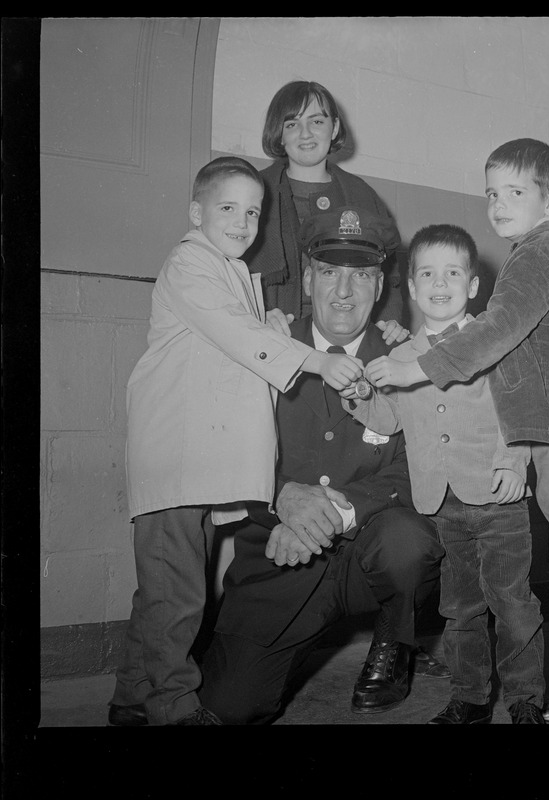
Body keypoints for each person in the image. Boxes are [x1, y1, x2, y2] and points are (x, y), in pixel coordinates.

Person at [364, 138, 549, 725]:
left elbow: (498, 329)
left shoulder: (540, 254)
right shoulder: (535, 255)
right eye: (492, 193)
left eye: (515, 192)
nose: (499, 204)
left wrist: (412, 368)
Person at [108, 157, 365, 726]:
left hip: (197, 463)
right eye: (228, 208)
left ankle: (131, 702)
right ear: (196, 212)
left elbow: (241, 344)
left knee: (164, 590)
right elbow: (232, 332)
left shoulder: (231, 273)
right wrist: (315, 358)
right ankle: (175, 711)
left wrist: (271, 323)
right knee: (178, 598)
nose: (243, 221)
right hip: (176, 460)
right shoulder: (189, 263)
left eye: (253, 212)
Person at [198, 206, 447, 725]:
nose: (343, 291)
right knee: (231, 705)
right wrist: (284, 496)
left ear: (379, 286)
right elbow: (222, 447)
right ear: (309, 278)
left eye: (360, 276)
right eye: (330, 272)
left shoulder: (405, 361)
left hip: (367, 550)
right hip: (282, 552)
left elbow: (416, 468)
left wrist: (342, 507)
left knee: (410, 542)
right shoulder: (265, 347)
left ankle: (394, 640)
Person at [343, 224, 546, 725]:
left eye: (453, 273)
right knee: (460, 610)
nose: (440, 283)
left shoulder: (489, 342)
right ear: (411, 287)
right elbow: (389, 421)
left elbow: (518, 407)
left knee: (513, 603)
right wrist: (358, 397)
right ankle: (470, 698)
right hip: (443, 504)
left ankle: (525, 700)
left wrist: (514, 460)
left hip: (499, 498)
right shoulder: (398, 359)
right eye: (428, 274)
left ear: (473, 286)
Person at [245, 79, 404, 327]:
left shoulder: (362, 195)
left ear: (334, 127)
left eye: (317, 121)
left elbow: (388, 274)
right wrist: (254, 315)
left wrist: (387, 325)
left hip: (345, 340)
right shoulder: (252, 191)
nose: (305, 133)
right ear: (280, 133)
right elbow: (226, 274)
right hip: (273, 337)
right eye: (292, 124)